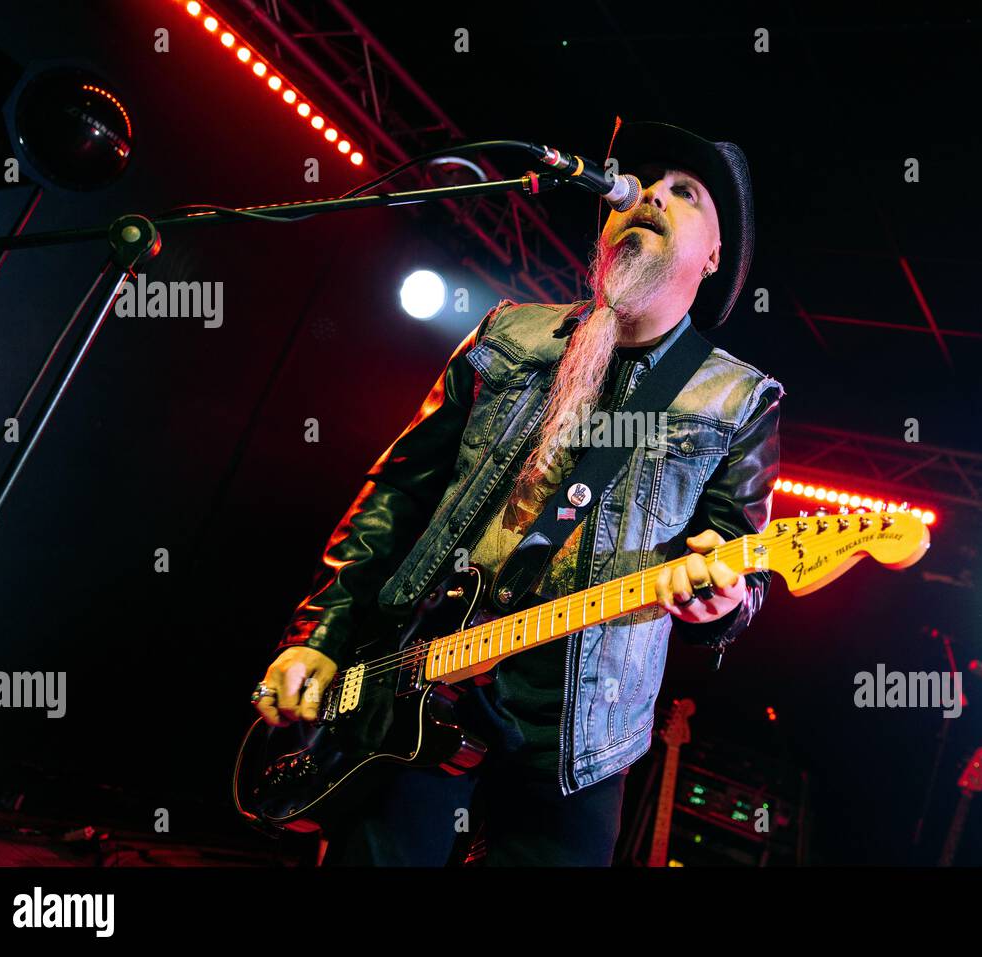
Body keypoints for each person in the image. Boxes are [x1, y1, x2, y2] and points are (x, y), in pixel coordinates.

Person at [250, 121, 783, 865]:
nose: (652, 194)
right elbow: (398, 492)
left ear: (716, 255)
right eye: (643, 182)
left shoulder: (737, 400)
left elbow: (739, 563)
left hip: (578, 738)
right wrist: (319, 635)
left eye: (685, 194)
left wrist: (725, 597)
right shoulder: (508, 333)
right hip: (417, 679)